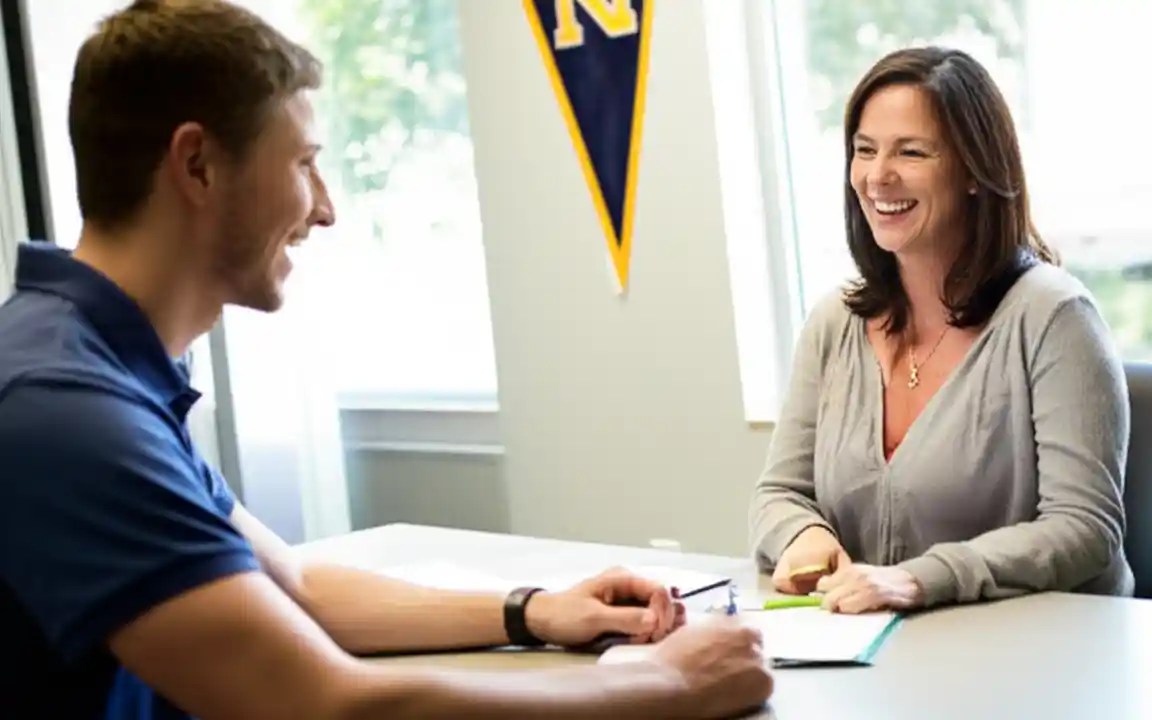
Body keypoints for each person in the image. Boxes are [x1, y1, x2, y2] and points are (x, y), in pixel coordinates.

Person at [0, 1, 771, 718]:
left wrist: (535, 609)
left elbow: (292, 587)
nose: (325, 208)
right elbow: (324, 704)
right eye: (303, 164)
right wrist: (665, 683)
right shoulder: (65, 410)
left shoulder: (96, 371)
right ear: (197, 164)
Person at [748, 46, 1134, 615]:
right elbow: (779, 493)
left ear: (975, 172)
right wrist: (800, 535)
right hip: (877, 656)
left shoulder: (1055, 317)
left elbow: (1084, 530)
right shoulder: (835, 322)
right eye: (864, 150)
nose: (878, 176)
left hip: (1042, 658)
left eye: (912, 151)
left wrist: (919, 580)